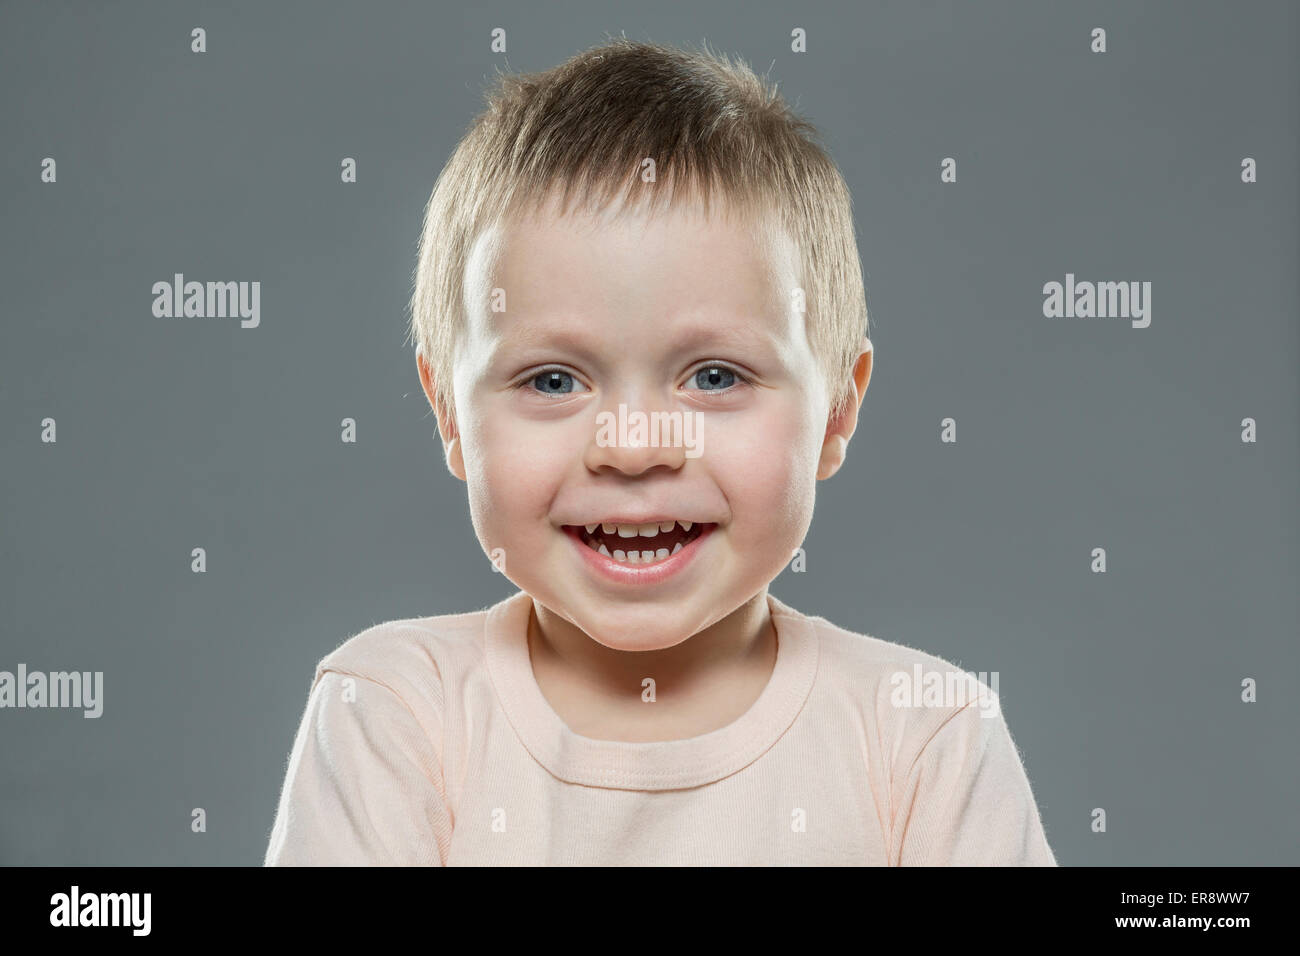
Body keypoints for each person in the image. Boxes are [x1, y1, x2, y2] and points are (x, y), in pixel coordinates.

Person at [264, 38, 1055, 866]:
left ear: (836, 411)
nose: (634, 448)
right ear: (449, 417)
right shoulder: (396, 711)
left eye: (714, 376)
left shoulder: (926, 737)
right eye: (553, 381)